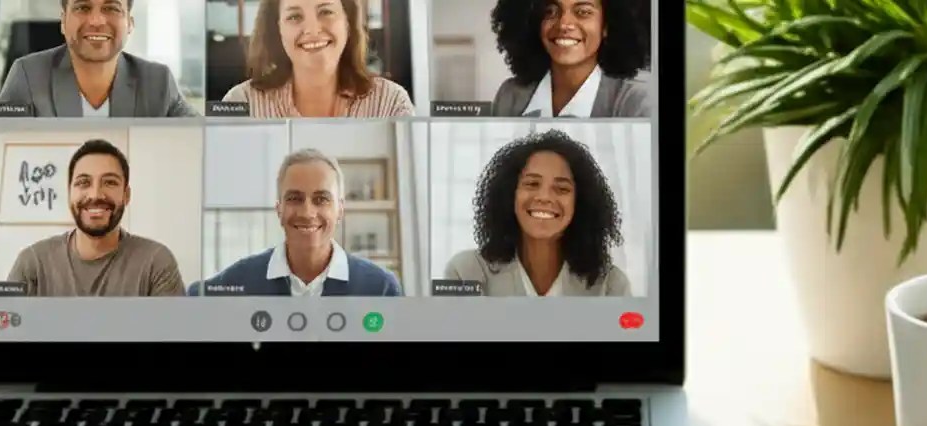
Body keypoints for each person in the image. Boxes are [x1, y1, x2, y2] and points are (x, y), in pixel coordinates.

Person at [444, 129, 632, 297]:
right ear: (510, 194)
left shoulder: (611, 286)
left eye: (561, 188)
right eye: (532, 184)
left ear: (581, 202)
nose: (544, 197)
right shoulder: (464, 272)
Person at [192, 149, 402, 297]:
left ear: (340, 210)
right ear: (279, 209)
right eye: (294, 198)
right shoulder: (238, 280)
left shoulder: (381, 288)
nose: (308, 212)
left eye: (321, 199)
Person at [7, 140, 186, 297]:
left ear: (126, 195)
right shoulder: (32, 263)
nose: (95, 195)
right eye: (83, 183)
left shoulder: (156, 262)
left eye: (109, 182)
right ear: (69, 193)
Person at [0, 0, 198, 118]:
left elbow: (205, 139)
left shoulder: (158, 81)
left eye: (111, 8)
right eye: (83, 7)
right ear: (63, 22)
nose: (96, 21)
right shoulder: (27, 75)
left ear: (129, 23)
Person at [222, 0, 414, 118]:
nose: (313, 30)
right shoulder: (241, 103)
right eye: (295, 17)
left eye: (326, 12)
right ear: (277, 29)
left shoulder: (391, 102)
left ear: (348, 21)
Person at [489, 0, 652, 118]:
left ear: (606, 25)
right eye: (550, 11)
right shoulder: (510, 96)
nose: (563, 24)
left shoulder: (638, 100)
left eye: (583, 12)